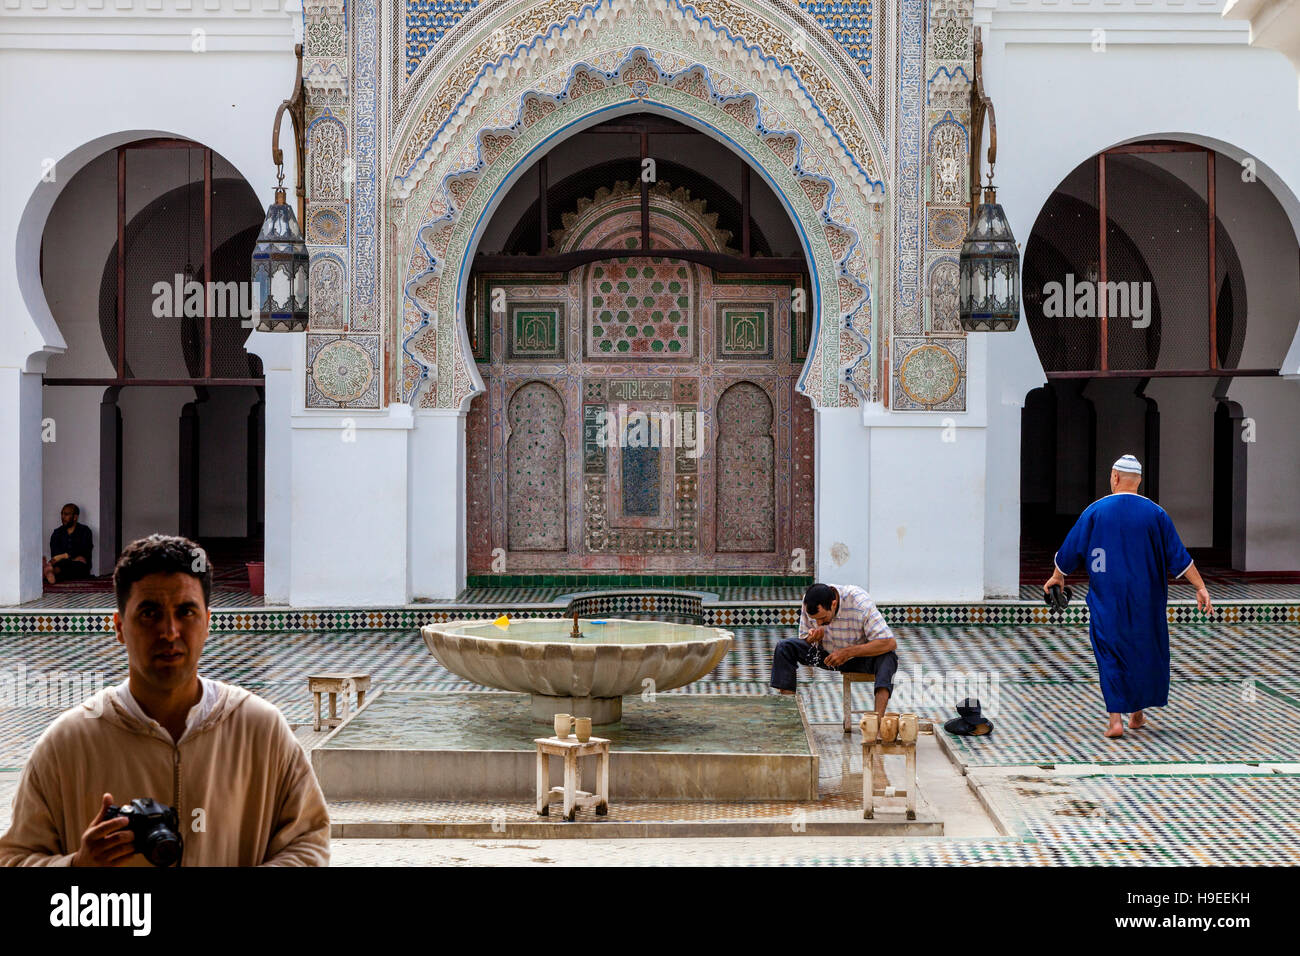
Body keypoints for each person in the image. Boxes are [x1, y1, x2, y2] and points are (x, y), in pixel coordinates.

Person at [0, 534, 330, 866]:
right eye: (149, 613)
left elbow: (309, 842)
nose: (169, 631)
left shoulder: (260, 730)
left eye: (185, 612)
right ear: (119, 626)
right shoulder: (68, 744)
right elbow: (14, 857)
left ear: (207, 623)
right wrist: (78, 865)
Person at [1044, 454, 1214, 740]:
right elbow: (1179, 558)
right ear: (1139, 481)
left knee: (1109, 653)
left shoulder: (1095, 511)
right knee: (1144, 651)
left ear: (1114, 477)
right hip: (1146, 601)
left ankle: (1115, 721)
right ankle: (1137, 714)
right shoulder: (1156, 513)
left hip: (1106, 600)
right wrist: (1200, 587)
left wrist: (1058, 576)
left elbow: (1070, 551)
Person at [771, 582, 898, 718]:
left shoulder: (860, 602)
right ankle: (788, 714)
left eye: (823, 618)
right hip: (826, 655)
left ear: (833, 604)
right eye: (815, 620)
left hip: (858, 658)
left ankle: (877, 723)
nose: (819, 623)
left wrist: (848, 652)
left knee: (888, 657)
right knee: (784, 647)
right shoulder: (809, 601)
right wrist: (811, 639)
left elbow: (889, 642)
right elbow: (804, 638)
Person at [44, 503, 93, 584]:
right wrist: (68, 557)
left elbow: (84, 552)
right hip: (62, 564)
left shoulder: (85, 531)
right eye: (62, 514)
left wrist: (63, 556)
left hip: (80, 567)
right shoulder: (57, 533)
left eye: (66, 514)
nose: (63, 517)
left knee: (72, 565)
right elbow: (55, 553)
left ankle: (50, 572)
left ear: (75, 517)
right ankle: (51, 574)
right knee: (63, 564)